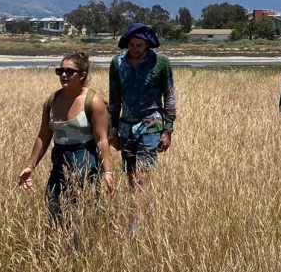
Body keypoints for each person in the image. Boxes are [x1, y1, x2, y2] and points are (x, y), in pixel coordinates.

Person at [18, 51, 115, 221]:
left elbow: (101, 139)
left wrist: (107, 172)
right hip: (59, 160)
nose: (63, 75)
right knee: (53, 204)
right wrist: (30, 167)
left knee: (83, 212)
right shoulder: (52, 100)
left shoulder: (93, 101)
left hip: (85, 160)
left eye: (69, 72)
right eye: (60, 71)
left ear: (82, 75)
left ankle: (83, 238)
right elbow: (44, 135)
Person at [108, 23, 176, 212]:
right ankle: (139, 209)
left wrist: (168, 130)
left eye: (139, 45)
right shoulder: (117, 62)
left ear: (147, 44)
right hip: (126, 127)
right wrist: (113, 131)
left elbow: (169, 95)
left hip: (151, 125)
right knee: (130, 172)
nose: (135, 49)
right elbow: (114, 98)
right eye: (131, 45)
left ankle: (140, 215)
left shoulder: (160, 62)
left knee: (144, 171)